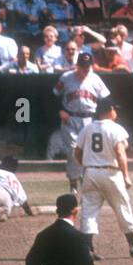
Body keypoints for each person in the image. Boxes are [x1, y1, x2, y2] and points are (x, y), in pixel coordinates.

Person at [73, 97, 133, 260]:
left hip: (90, 173)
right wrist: (126, 176)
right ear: (110, 110)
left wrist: (87, 165)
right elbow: (120, 153)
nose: (116, 112)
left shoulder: (87, 128)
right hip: (111, 173)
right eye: (114, 109)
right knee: (122, 207)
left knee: (89, 210)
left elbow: (77, 152)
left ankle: (88, 249)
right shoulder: (116, 128)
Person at [53, 52, 111, 193]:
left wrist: (105, 115)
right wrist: (60, 110)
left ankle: (86, 182)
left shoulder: (95, 79)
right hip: (71, 118)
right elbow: (54, 94)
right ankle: (73, 182)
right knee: (73, 151)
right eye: (83, 66)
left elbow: (106, 99)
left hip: (89, 119)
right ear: (77, 65)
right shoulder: (66, 77)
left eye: (88, 67)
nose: (85, 69)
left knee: (89, 152)